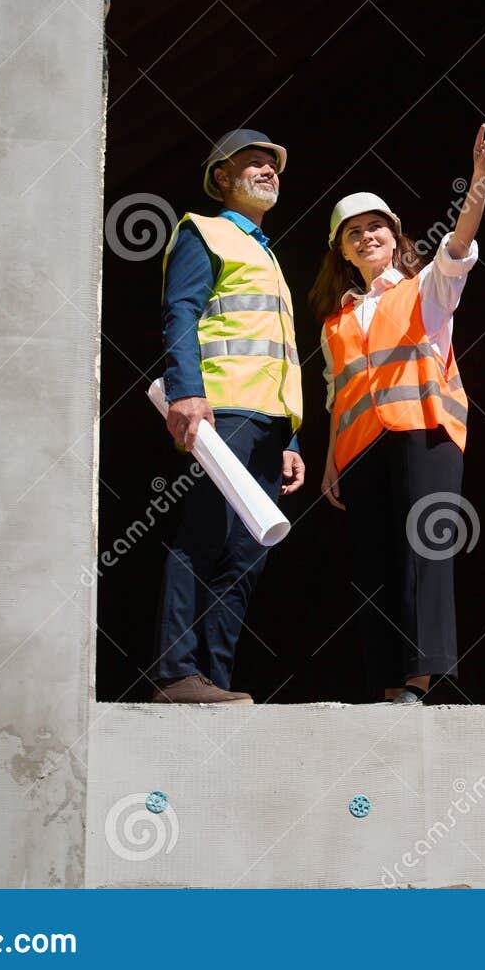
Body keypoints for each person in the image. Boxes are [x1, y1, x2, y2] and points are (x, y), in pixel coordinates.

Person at [311, 123, 485, 704]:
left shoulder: (426, 290)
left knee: (423, 551)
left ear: (394, 238)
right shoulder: (335, 322)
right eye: (353, 233)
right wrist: (330, 461)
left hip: (425, 434)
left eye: (375, 227)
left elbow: (459, 245)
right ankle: (386, 682)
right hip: (360, 449)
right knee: (374, 562)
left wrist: (479, 180)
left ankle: (419, 679)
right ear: (342, 251)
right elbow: (336, 395)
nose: (366, 237)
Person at [151, 129, 306, 705]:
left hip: (267, 423)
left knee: (246, 557)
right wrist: (186, 393)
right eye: (253, 163)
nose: (268, 171)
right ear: (221, 177)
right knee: (204, 536)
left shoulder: (266, 253)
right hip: (222, 411)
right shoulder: (205, 232)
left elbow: (278, 352)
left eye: (273, 164)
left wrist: (290, 437)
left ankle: (213, 681)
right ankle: (176, 673)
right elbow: (180, 312)